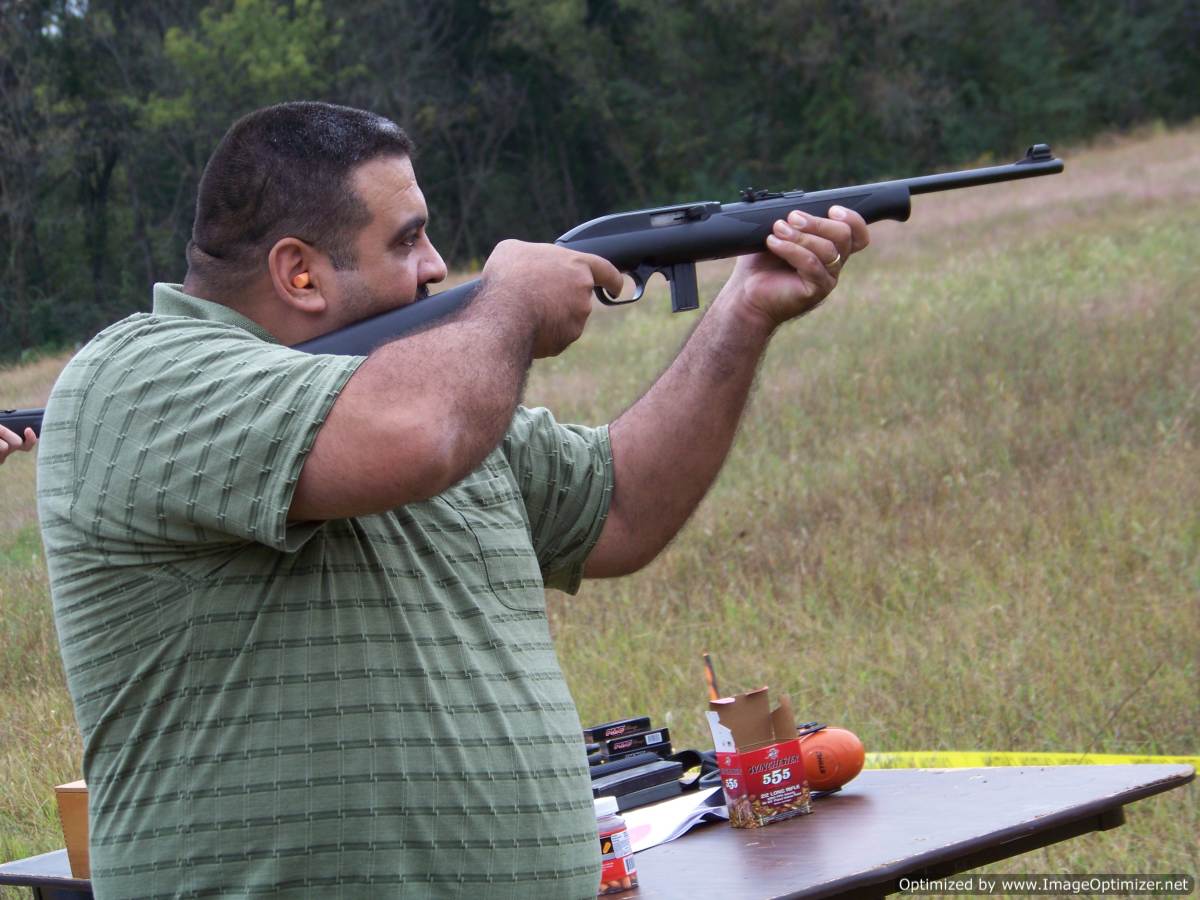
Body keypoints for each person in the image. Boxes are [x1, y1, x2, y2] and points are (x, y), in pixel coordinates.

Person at [37, 102, 868, 898]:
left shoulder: (423, 393)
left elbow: (620, 511)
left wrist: (745, 311)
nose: (437, 265)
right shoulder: (140, 378)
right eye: (408, 241)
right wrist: (509, 302)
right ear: (298, 271)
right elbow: (420, 435)